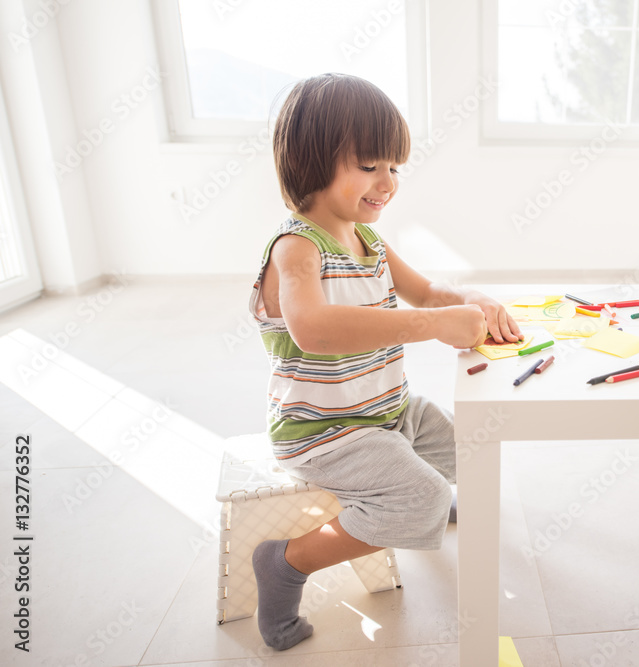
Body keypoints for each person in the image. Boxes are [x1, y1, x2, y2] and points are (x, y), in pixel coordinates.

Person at [247, 73, 522, 650]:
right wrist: (431, 328)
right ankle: (286, 563)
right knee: (421, 500)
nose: (388, 183)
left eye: (394, 167)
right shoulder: (296, 247)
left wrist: (474, 300)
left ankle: (408, 492)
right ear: (311, 161)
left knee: (466, 445)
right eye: (370, 166)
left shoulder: (366, 238)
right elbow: (314, 329)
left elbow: (426, 293)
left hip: (385, 414)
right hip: (323, 433)